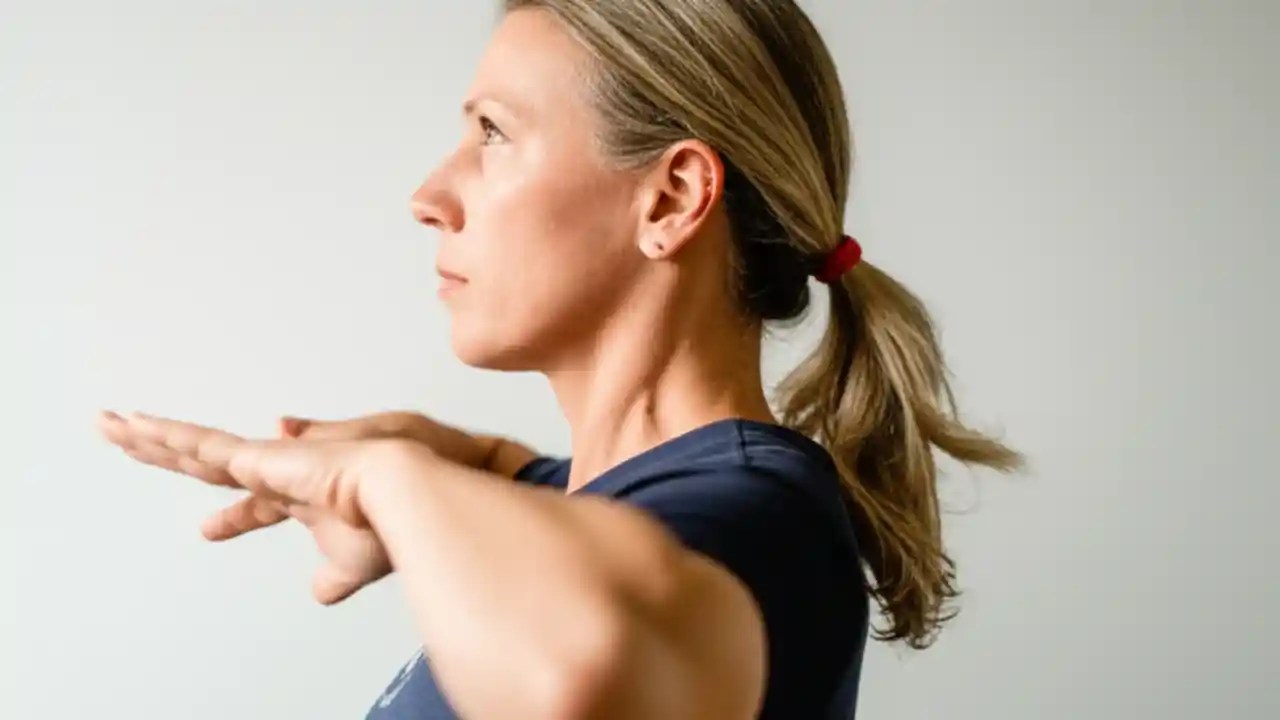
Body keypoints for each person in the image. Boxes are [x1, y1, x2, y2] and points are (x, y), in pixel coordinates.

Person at [97, 1, 1022, 718]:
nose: (429, 195)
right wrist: (465, 462)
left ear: (671, 200)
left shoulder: (751, 522)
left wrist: (388, 483)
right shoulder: (652, 494)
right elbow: (573, 503)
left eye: (493, 133)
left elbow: (582, 672)